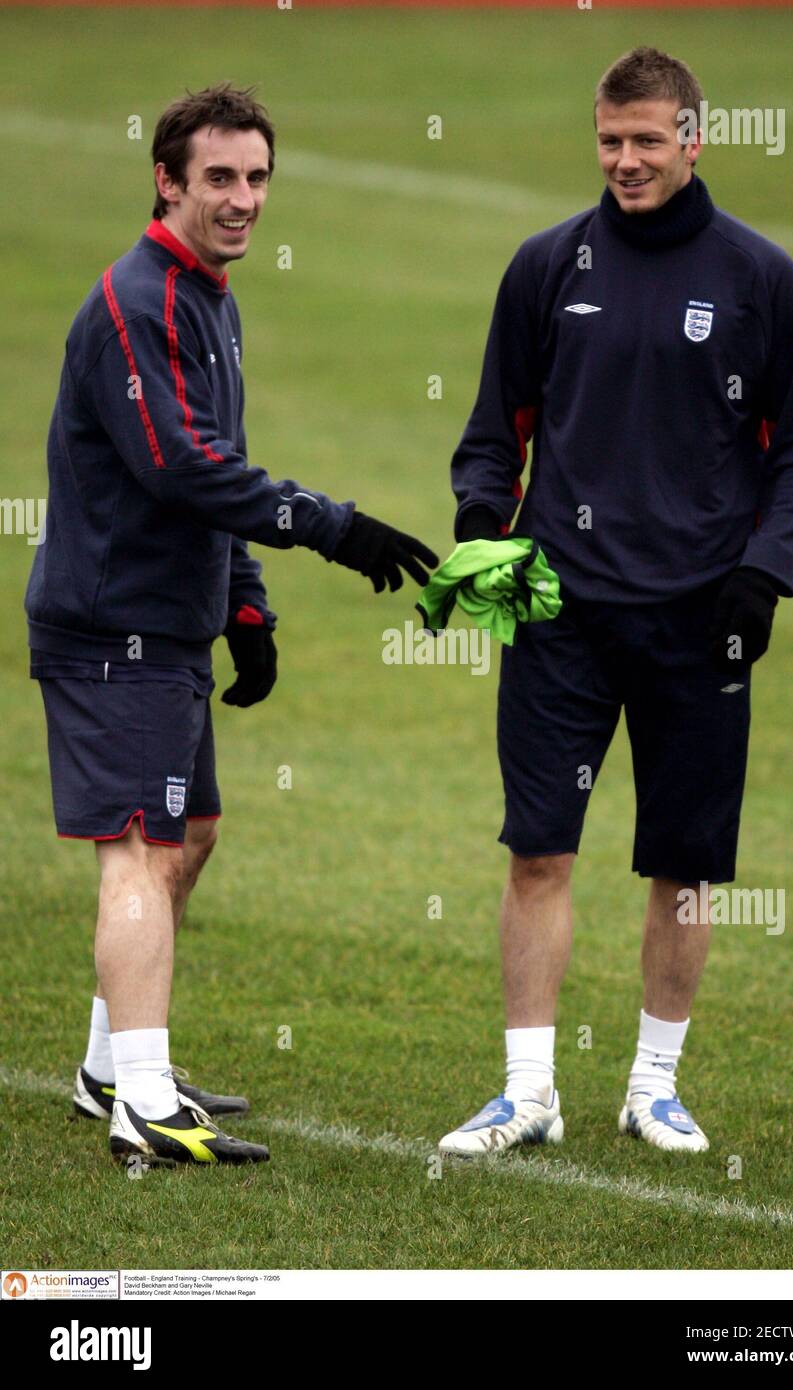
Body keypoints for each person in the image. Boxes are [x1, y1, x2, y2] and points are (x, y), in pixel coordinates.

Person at [26, 83, 437, 1168]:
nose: (243, 198)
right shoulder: (137, 300)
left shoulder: (209, 296)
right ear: (167, 180)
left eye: (256, 177)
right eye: (219, 177)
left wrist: (243, 598)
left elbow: (213, 466)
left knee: (188, 835)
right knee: (138, 847)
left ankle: (114, 1064)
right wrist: (331, 526)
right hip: (111, 628)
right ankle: (145, 1105)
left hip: (166, 625)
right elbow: (178, 462)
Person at [438, 47, 793, 1157]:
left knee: (686, 865)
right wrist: (483, 534)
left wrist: (763, 576)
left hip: (698, 619)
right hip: (560, 611)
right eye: (609, 140)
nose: (624, 159)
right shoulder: (544, 265)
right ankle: (527, 1092)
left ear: (692, 138)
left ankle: (651, 1087)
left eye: (646, 140)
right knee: (536, 851)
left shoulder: (758, 279)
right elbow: (492, 431)